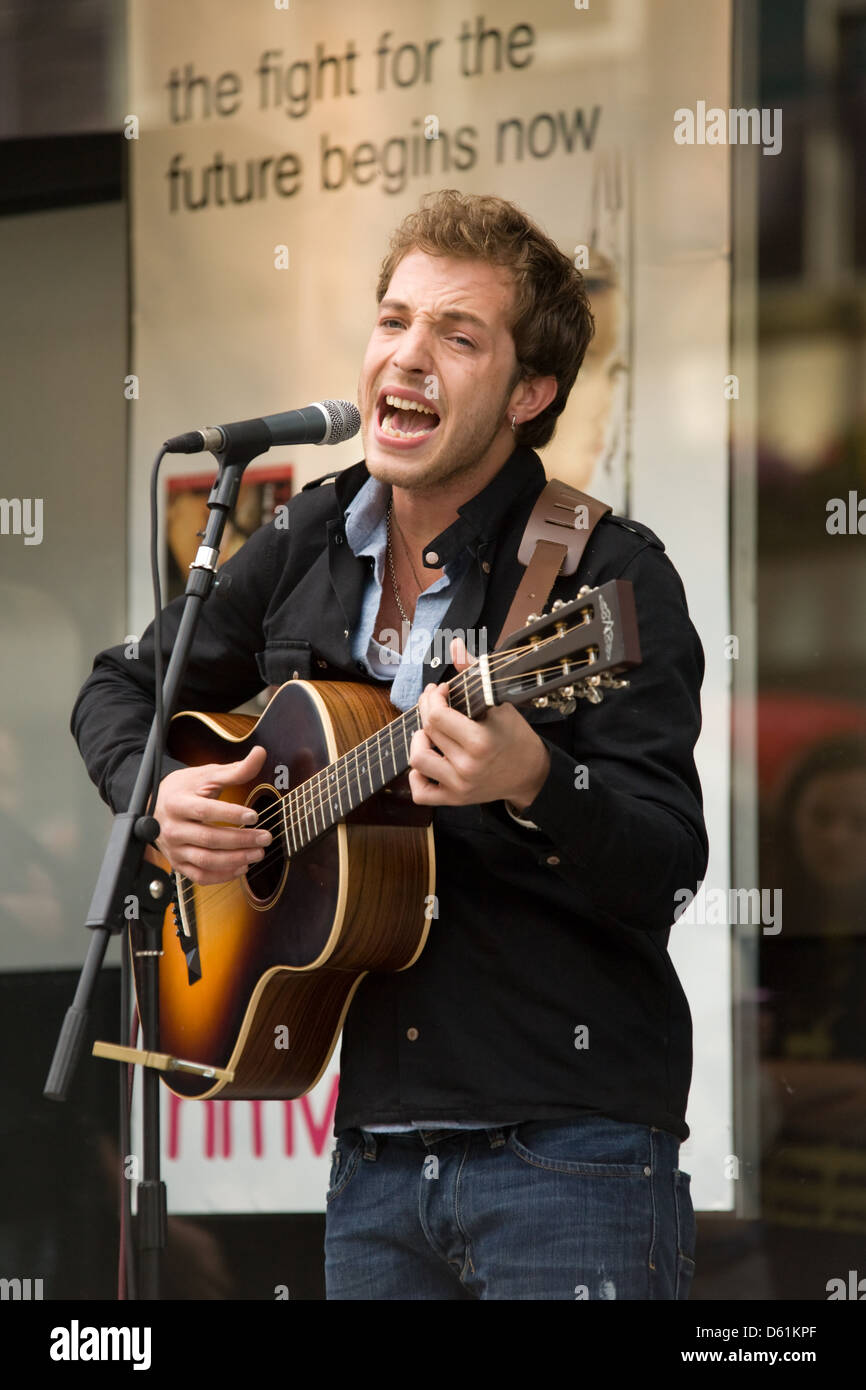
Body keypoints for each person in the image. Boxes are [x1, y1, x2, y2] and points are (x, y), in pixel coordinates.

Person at [72, 188, 708, 1301]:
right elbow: (124, 685)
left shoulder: (605, 577)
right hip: (370, 1154)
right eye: (392, 322)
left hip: (566, 1154)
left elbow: (666, 860)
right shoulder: (308, 533)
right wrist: (164, 792)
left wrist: (537, 782)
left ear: (529, 392)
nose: (406, 360)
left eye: (456, 337)